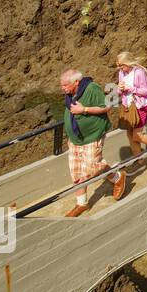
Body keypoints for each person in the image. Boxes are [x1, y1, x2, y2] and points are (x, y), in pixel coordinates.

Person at [59, 68, 125, 217]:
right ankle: (82, 203)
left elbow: (107, 106)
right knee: (76, 172)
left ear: (76, 82)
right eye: (61, 85)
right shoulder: (71, 94)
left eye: (64, 85)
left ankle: (118, 177)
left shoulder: (92, 88)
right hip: (75, 139)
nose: (62, 88)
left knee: (91, 169)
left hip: (92, 136)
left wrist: (84, 109)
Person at [115, 52, 147, 160]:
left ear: (128, 63)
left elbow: (145, 91)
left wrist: (131, 89)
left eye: (121, 65)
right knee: (130, 133)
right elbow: (118, 91)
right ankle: (138, 158)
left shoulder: (139, 72)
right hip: (127, 106)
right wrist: (119, 89)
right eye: (118, 65)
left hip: (140, 105)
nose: (119, 68)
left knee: (137, 135)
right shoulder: (121, 73)